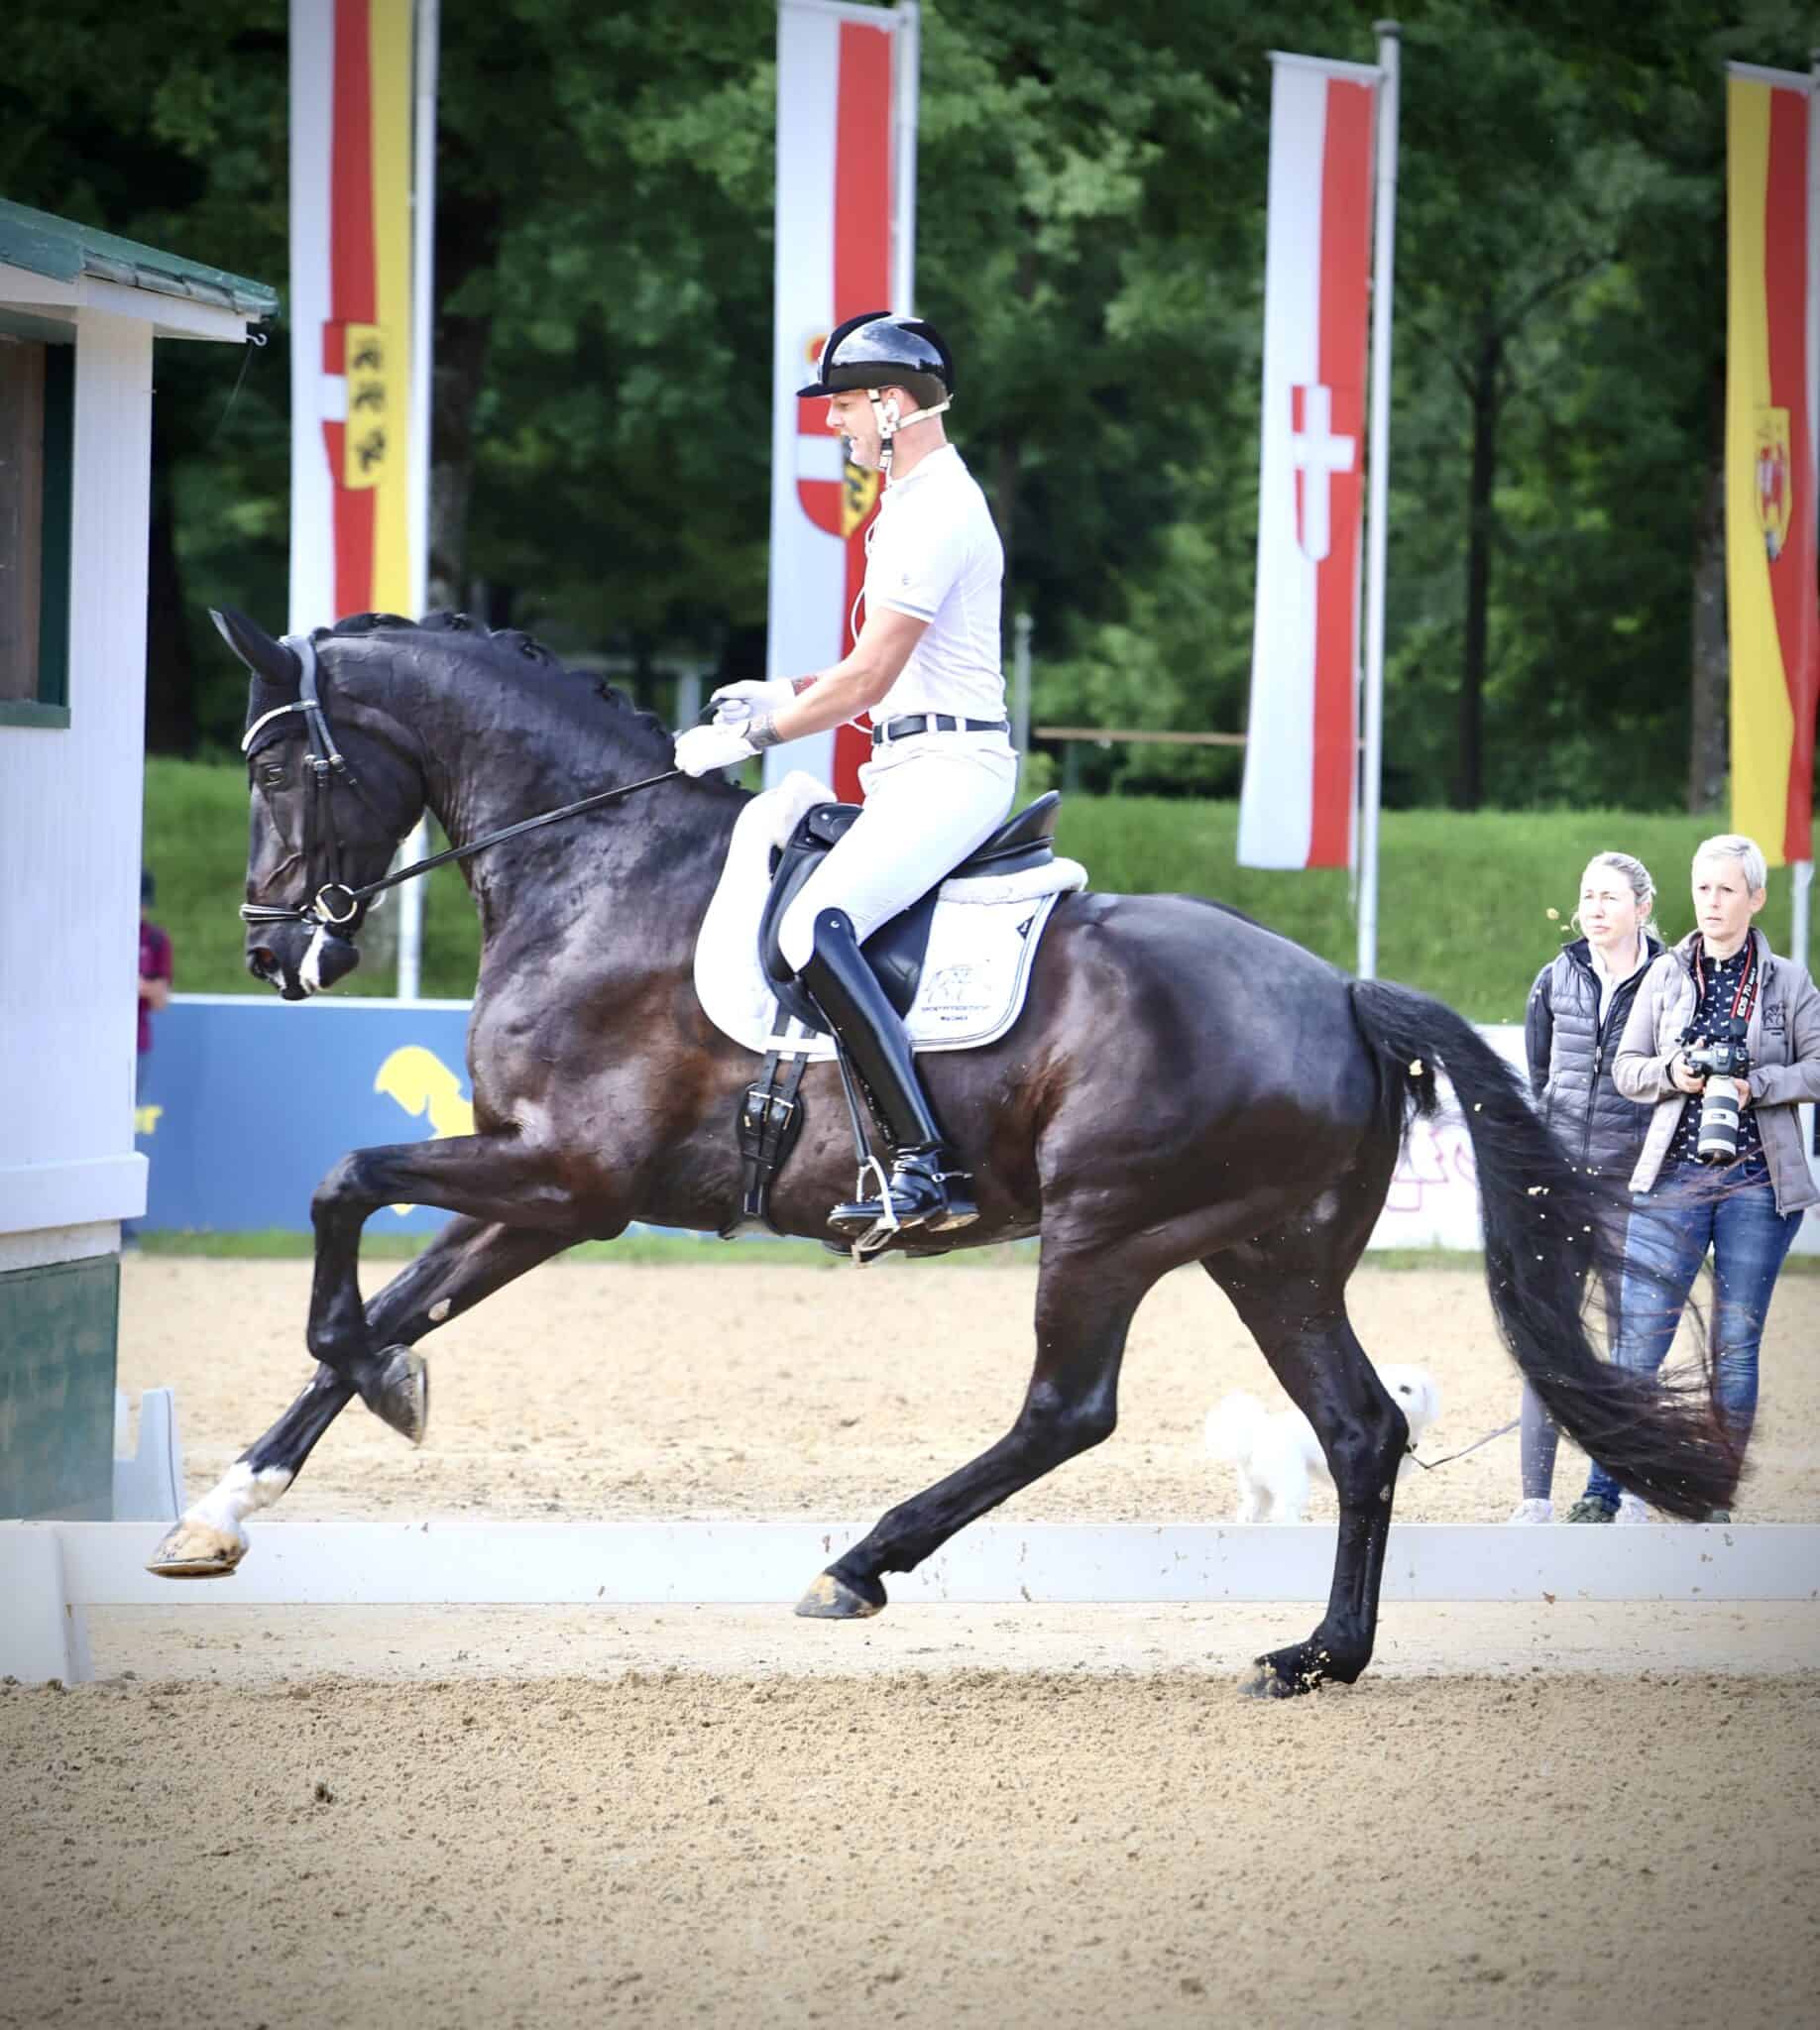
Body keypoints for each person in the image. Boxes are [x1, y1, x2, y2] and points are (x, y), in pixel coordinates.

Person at [672, 312, 1017, 1244]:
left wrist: (758, 737)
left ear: (894, 405)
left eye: (844, 406)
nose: (833, 424)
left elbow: (866, 681)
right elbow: (879, 667)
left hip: (951, 766)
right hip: (911, 757)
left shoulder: (937, 509)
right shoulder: (908, 503)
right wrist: (777, 692)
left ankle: (926, 1166)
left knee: (811, 929)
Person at [1566, 834, 1820, 1523]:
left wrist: (1756, 1084)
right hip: (1671, 1179)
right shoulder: (1664, 974)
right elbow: (1627, 1066)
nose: (1712, 902)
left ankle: (1715, 1496)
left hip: (1758, 1188)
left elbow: (1818, 1067)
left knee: (1734, 1348)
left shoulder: (1789, 983)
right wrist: (1675, 1074)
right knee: (1638, 1342)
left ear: (1755, 899)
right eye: (1703, 888)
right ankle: (1603, 1490)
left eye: (1727, 889)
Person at [1510, 851, 1663, 1523]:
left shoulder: (1672, 980)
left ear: (1642, 908)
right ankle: (1534, 1499)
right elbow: (1540, 1073)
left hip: (1638, 1184)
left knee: (1633, 1341)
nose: (1596, 909)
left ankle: (1628, 1490)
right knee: (1550, 1334)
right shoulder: (1554, 977)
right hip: (1563, 1183)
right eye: (1587, 896)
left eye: (1609, 897)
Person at [128, 868, 173, 1245]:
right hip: (97, 1046)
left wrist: (136, 984)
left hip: (135, 1044)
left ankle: (123, 1227)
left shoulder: (155, 941)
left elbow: (160, 999)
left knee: (125, 1134)